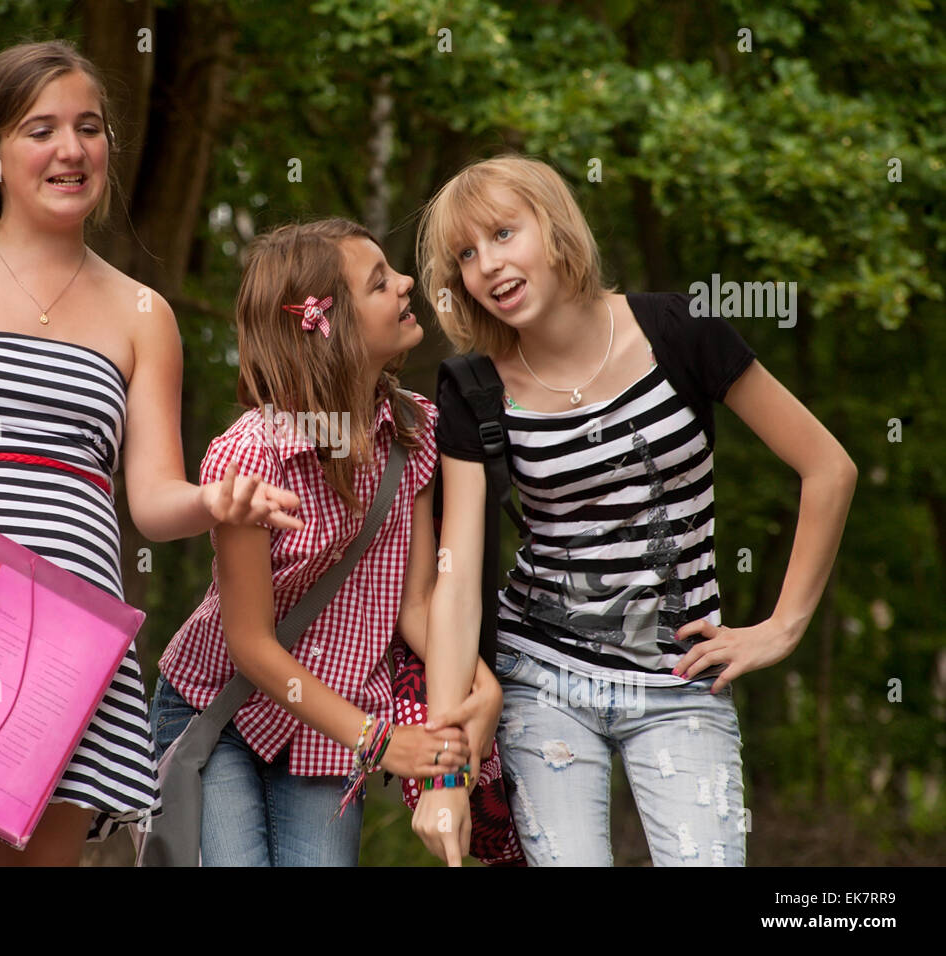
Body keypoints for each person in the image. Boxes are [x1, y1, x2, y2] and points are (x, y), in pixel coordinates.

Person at [0, 40, 300, 866]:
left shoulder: (146, 313)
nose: (71, 150)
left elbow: (150, 498)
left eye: (89, 127)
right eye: (40, 130)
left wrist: (214, 502)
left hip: (70, 653)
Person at [413, 154, 857, 866]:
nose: (487, 265)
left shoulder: (682, 330)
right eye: (466, 254)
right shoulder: (473, 387)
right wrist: (445, 770)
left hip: (682, 683)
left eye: (503, 234)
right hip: (542, 682)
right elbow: (457, 582)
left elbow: (829, 467)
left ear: (556, 228)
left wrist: (781, 629)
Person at [152, 218, 493, 866]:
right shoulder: (255, 452)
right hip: (219, 711)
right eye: (379, 282)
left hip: (328, 730)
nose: (406, 283)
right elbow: (249, 644)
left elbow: (416, 603)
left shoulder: (414, 434)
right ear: (327, 326)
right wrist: (380, 741)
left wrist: (483, 685)